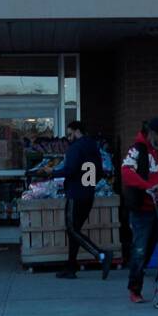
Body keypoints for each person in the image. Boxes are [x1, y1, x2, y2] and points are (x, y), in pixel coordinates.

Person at [121, 117, 158, 304]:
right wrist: (147, 186)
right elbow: (127, 173)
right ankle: (135, 289)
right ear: (152, 133)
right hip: (142, 209)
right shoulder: (136, 150)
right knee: (140, 250)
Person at [46, 120, 110, 280]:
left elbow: (70, 170)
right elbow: (100, 172)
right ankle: (71, 267)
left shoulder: (75, 148)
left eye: (69, 134)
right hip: (88, 193)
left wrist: (51, 172)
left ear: (77, 131)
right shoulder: (93, 147)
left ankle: (101, 255)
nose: (68, 138)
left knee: (72, 229)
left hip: (76, 194)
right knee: (74, 231)